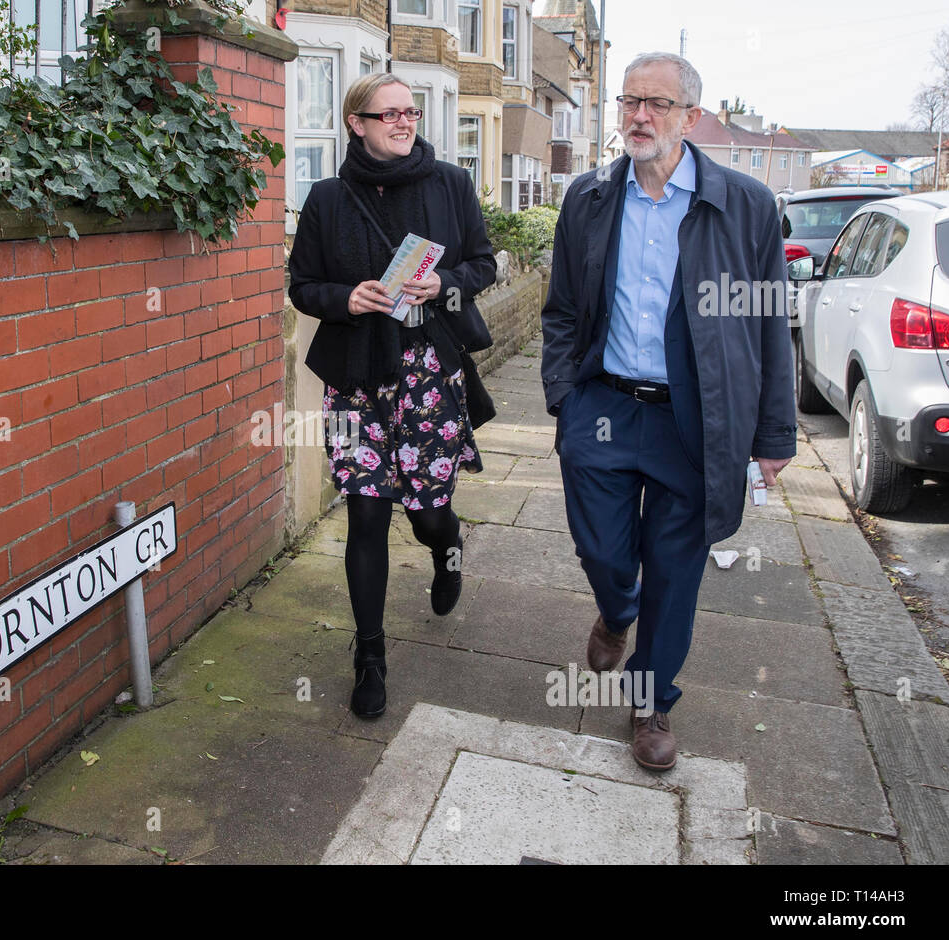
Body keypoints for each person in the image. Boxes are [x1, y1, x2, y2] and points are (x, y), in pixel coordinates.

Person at [541, 52, 796, 770]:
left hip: (699, 420)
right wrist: (563, 395)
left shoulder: (744, 205)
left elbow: (770, 327)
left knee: (676, 568)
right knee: (603, 550)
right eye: (629, 102)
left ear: (690, 116)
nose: (639, 117)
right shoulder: (589, 197)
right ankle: (617, 608)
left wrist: (773, 433)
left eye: (656, 104)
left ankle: (651, 704)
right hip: (604, 407)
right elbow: (561, 310)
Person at [287, 73, 497, 720]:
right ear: (357, 123)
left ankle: (447, 545)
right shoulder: (328, 198)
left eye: (410, 112)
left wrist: (447, 286)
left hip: (430, 372)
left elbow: (484, 263)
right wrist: (345, 299)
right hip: (356, 376)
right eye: (389, 115)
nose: (404, 123)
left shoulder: (450, 185)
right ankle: (370, 656)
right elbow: (303, 285)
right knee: (367, 514)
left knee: (426, 513)